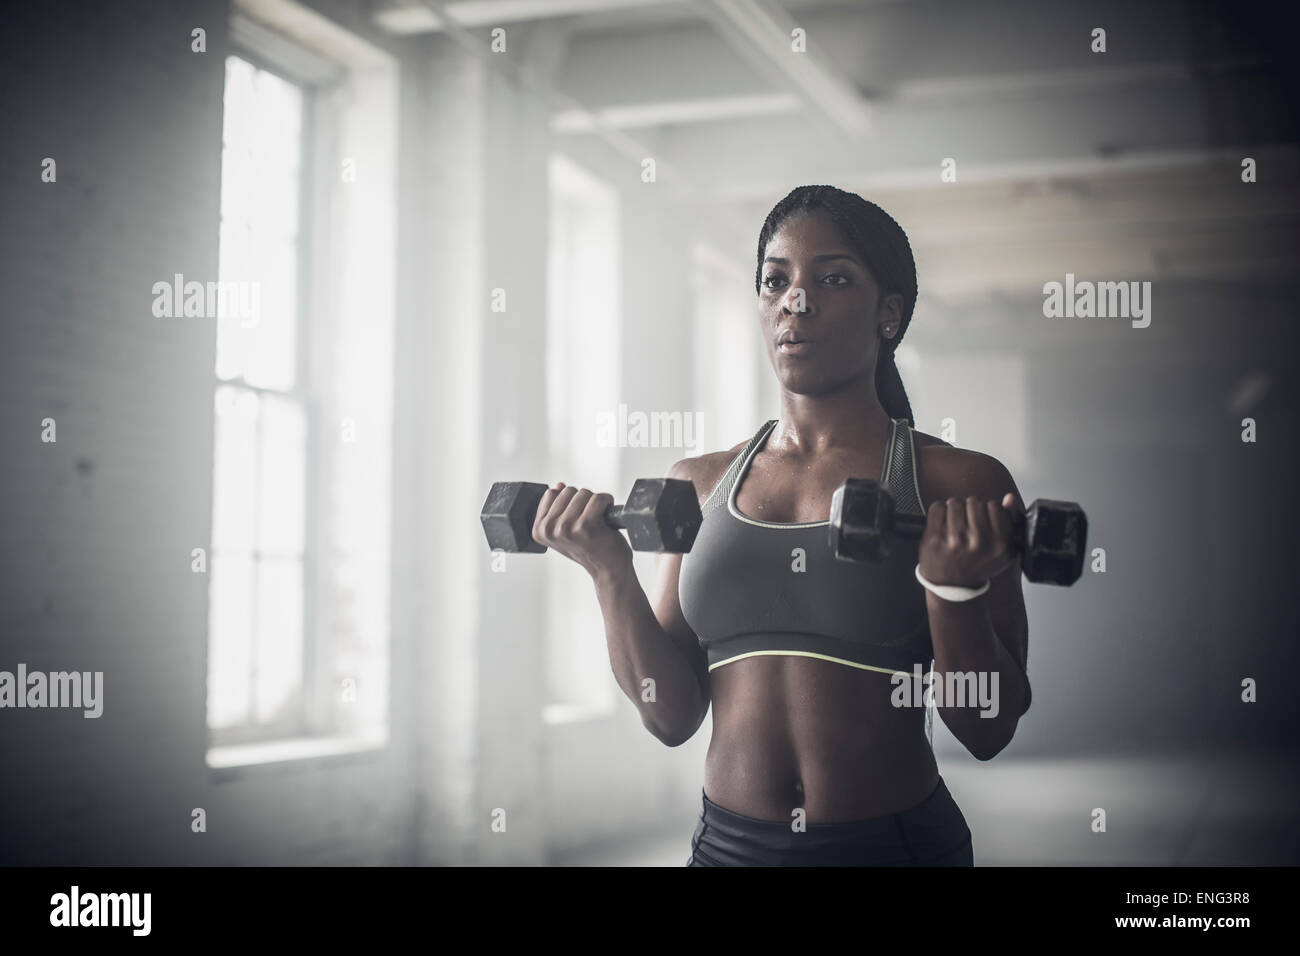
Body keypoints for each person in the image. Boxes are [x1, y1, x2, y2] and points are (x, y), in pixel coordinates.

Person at [531, 185, 1031, 866]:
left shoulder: (957, 484)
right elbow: (670, 715)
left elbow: (987, 728)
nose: (796, 300)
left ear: (889, 314)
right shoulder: (696, 485)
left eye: (832, 279)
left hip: (892, 850)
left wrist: (955, 592)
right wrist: (609, 571)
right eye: (776, 280)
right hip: (728, 851)